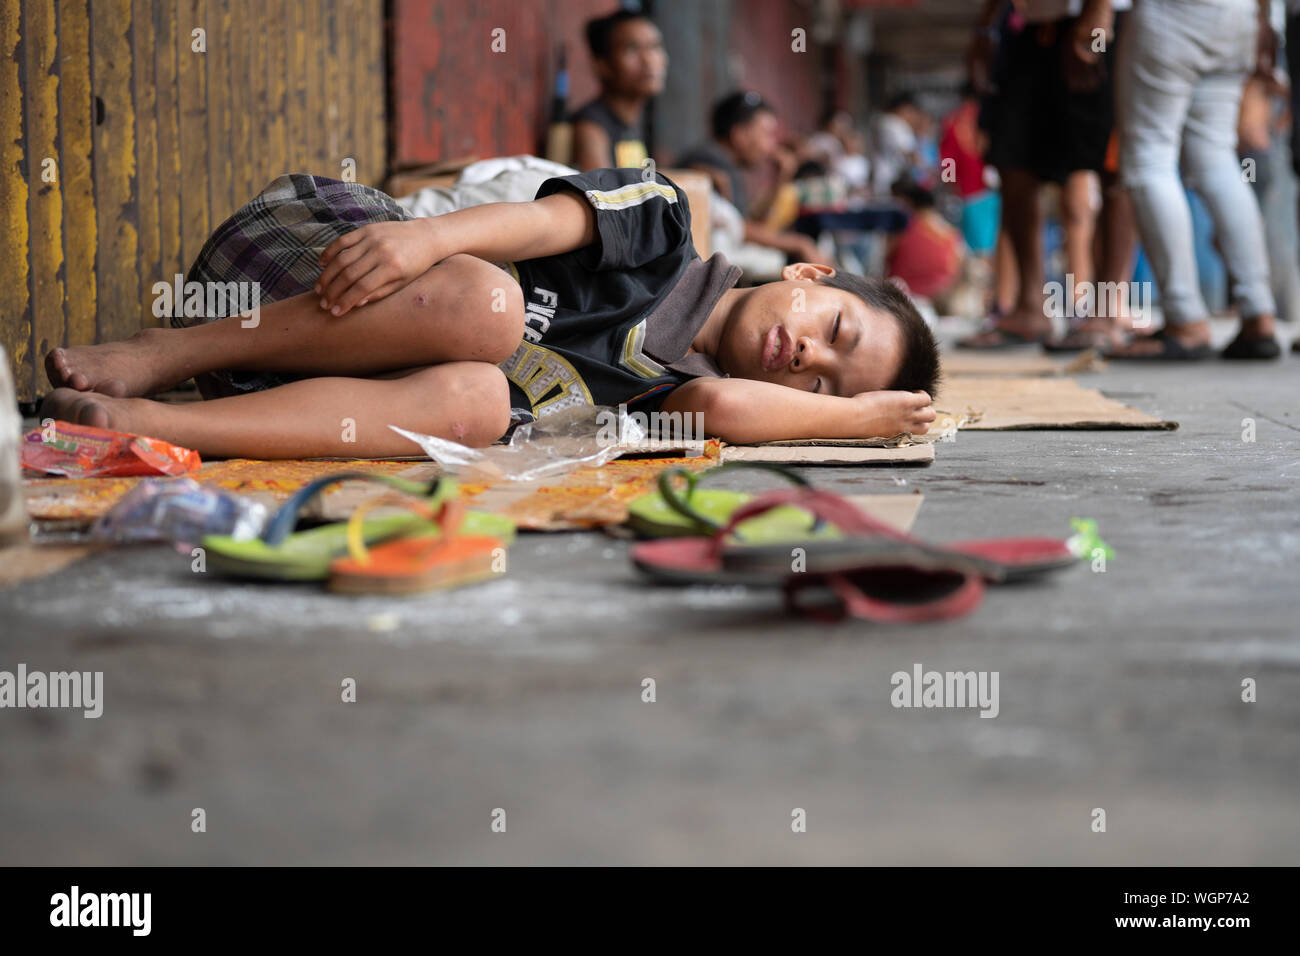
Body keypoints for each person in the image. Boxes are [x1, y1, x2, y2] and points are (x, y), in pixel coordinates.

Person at [42, 169, 939, 458]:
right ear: (810, 270)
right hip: (309, 264)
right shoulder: (662, 224)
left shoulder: (672, 401)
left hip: (291, 392)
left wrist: (859, 420)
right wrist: (424, 242)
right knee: (491, 306)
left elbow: (734, 411)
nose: (805, 357)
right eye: (834, 331)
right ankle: (164, 352)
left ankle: (152, 422)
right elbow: (537, 221)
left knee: (481, 406)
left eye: (824, 382)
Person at [1093, 0, 1280, 359]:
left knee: (1149, 158)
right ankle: (1259, 313)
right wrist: (1263, 18)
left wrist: (1099, 13)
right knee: (1217, 159)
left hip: (1172, 15)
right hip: (1238, 16)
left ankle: (1185, 319)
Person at [961, 0, 1130, 350]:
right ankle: (1030, 308)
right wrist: (986, 26)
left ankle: (1106, 310)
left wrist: (1099, 11)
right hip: (1030, 23)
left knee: (1112, 164)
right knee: (1012, 160)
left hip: (1095, 21)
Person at [677, 91, 830, 266]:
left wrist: (781, 179)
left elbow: (757, 226)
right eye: (767, 134)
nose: (771, 145)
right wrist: (800, 244)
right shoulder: (713, 162)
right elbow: (744, 230)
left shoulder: (722, 160)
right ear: (739, 135)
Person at [570, 9, 666, 171]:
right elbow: (600, 194)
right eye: (632, 49)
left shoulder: (632, 123)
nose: (649, 60)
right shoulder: (591, 128)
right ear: (602, 65)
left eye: (654, 47)